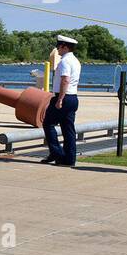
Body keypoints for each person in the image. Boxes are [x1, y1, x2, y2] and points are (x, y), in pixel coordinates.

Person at [42, 34, 81, 168]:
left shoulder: (64, 61)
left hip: (63, 96)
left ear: (65, 47)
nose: (57, 48)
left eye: (59, 46)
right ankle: (69, 159)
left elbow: (65, 80)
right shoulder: (75, 61)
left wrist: (60, 99)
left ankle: (56, 153)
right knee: (68, 128)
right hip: (73, 97)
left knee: (48, 123)